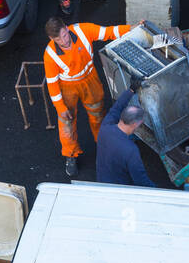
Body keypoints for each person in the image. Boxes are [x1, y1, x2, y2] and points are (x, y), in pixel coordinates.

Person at [44, 16, 131, 176]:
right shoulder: (50, 55)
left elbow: (109, 32)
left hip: (90, 80)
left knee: (98, 116)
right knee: (67, 123)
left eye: (65, 34)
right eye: (59, 39)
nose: (64, 41)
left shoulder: (84, 30)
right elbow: (52, 84)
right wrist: (60, 107)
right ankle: (70, 154)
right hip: (67, 87)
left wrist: (131, 29)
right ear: (52, 39)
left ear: (67, 28)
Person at [97, 85, 155, 187]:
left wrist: (131, 90)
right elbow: (140, 180)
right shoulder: (131, 150)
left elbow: (117, 108)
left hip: (102, 179)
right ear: (134, 125)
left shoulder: (105, 126)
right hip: (120, 188)